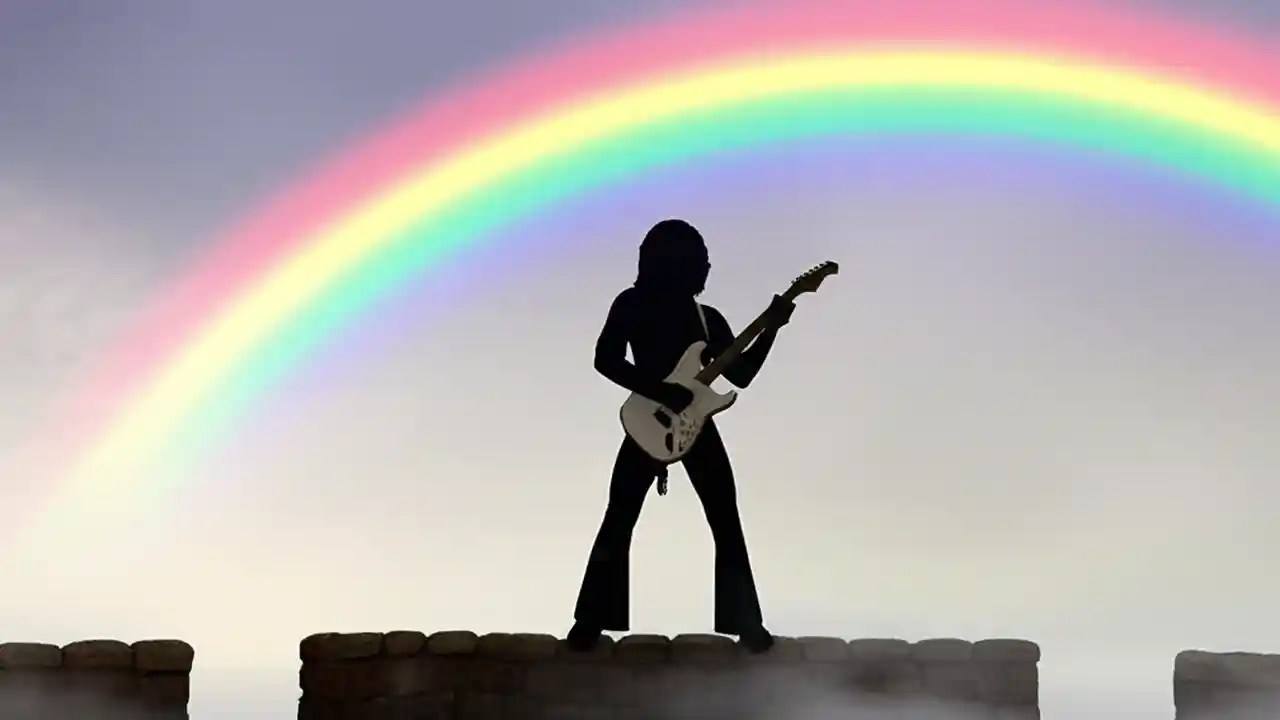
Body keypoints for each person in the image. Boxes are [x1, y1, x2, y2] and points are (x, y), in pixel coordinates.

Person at [566, 218, 794, 654]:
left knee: (725, 516)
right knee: (619, 517)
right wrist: (659, 390)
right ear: (677, 262)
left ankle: (746, 622)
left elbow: (741, 373)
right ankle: (589, 620)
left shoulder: (709, 320)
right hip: (647, 421)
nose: (708, 268)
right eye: (701, 260)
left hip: (699, 426)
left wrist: (773, 329)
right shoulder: (631, 303)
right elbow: (605, 359)